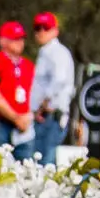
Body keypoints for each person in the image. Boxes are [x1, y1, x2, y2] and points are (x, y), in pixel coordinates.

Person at [27, 12, 75, 165]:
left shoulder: (58, 52)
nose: (41, 32)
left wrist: (42, 106)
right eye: (37, 28)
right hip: (43, 117)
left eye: (45, 28)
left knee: (45, 163)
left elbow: (58, 81)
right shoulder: (45, 51)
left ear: (55, 31)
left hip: (51, 116)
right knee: (38, 160)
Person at [0, 20, 35, 154]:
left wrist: (28, 116)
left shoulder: (29, 65)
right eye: (15, 39)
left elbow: (37, 92)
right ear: (2, 41)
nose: (20, 42)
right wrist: (15, 117)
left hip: (25, 124)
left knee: (26, 164)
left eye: (21, 38)